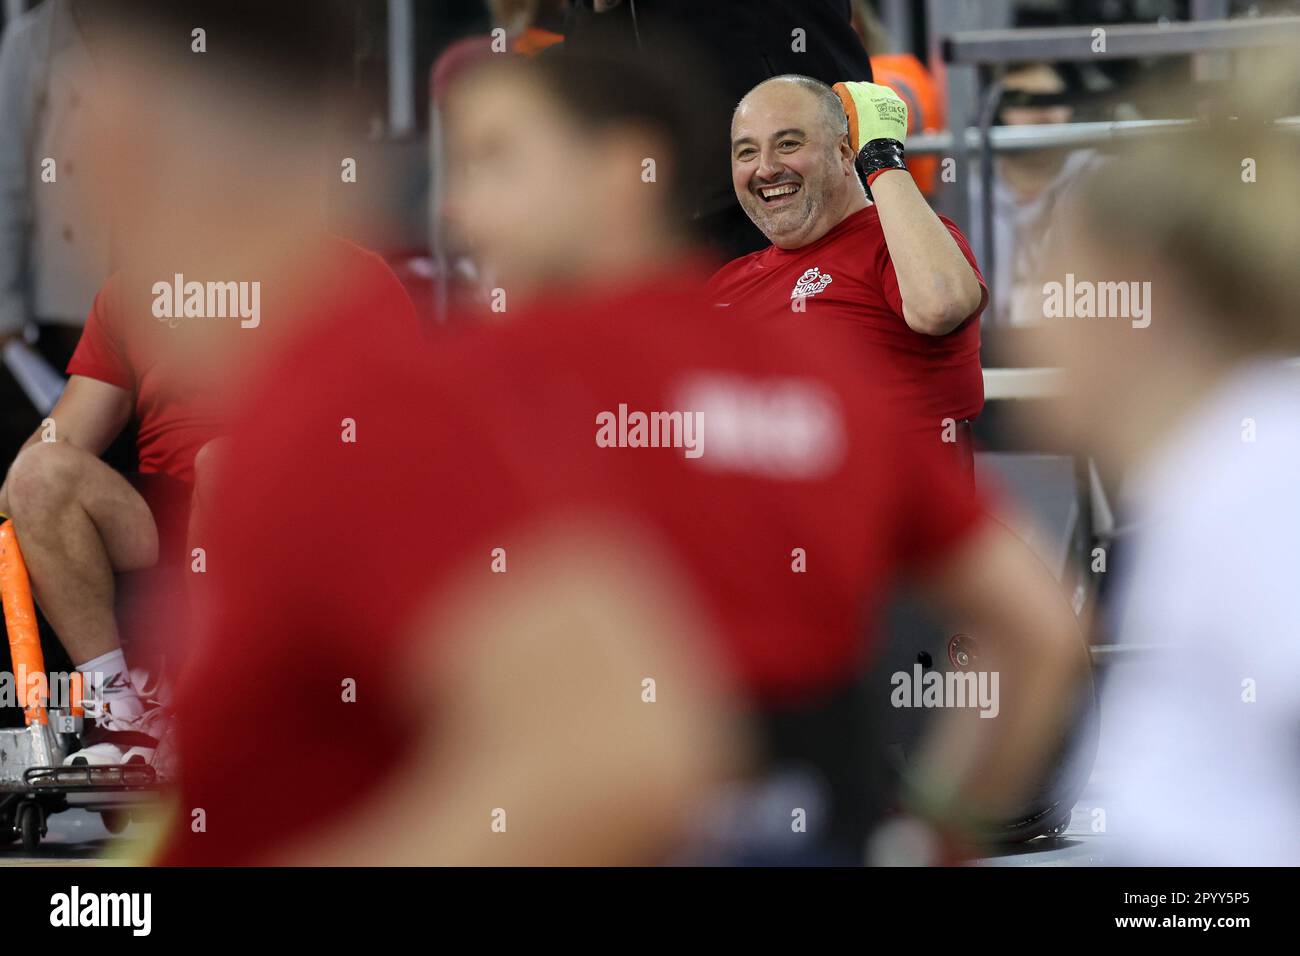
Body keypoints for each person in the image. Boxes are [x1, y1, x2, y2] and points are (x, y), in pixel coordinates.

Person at [155, 50, 1087, 866]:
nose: (455, 203)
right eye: (744, 152)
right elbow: (1039, 631)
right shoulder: (802, 364)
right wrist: (935, 840)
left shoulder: (481, 383)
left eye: (496, 160)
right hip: (817, 801)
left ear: (618, 170)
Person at [0, 1, 417, 766]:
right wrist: (24, 484)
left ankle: (211, 704)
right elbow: (65, 435)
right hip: (161, 512)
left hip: (296, 510)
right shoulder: (132, 288)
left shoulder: (356, 275)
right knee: (35, 476)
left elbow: (398, 446)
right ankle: (119, 713)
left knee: (232, 462)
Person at [1021, 86, 1300, 864]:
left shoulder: (1254, 474)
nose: (1031, 321)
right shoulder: (1207, 477)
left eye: (1054, 284)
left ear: (1136, 295)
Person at [708, 75, 986, 468]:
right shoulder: (728, 281)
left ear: (843, 152)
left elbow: (942, 304)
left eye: (788, 144)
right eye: (747, 152)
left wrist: (881, 157)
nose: (766, 168)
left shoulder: (899, 243)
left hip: (893, 519)